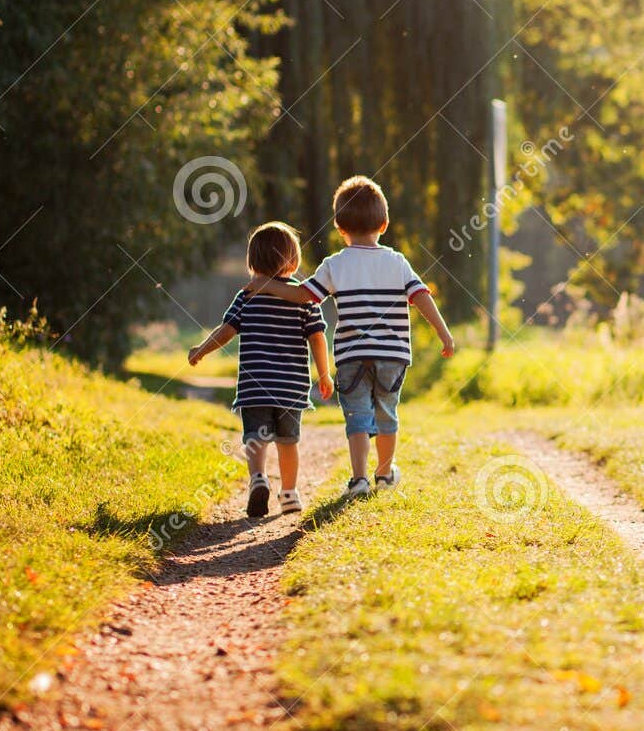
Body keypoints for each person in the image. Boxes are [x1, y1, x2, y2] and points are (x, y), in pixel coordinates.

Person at [246, 176, 455, 498]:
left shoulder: (335, 264)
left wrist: (264, 284)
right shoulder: (397, 262)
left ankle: (359, 479)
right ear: (384, 224)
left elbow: (304, 296)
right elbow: (421, 297)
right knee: (387, 413)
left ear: (339, 226)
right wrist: (444, 334)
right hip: (392, 354)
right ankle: (384, 473)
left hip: (352, 356)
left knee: (358, 416)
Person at [189, 222, 332, 516]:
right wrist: (324, 373)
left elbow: (226, 331)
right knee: (288, 441)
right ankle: (290, 493)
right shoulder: (303, 299)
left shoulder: (248, 296)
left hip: (255, 385)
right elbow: (317, 337)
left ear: (252, 261)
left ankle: (258, 479)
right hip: (291, 387)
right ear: (292, 260)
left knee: (255, 437)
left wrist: (201, 349)